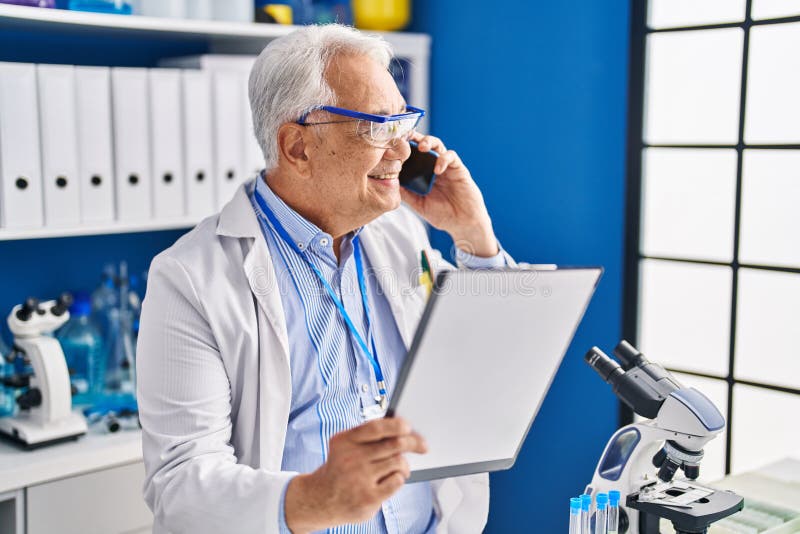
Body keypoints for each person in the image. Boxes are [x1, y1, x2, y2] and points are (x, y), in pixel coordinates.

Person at [137, 24, 514, 534]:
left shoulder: (399, 233)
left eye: (403, 124)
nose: (403, 152)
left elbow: (499, 359)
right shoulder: (191, 279)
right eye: (377, 128)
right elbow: (180, 488)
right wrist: (313, 498)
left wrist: (475, 237)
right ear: (297, 147)